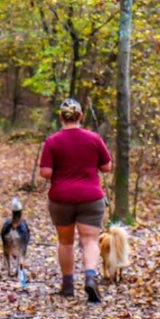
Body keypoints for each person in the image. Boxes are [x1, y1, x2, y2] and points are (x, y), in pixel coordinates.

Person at [39, 98, 112, 303]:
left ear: (61, 117)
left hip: (61, 199)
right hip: (91, 198)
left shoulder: (52, 141)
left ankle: (68, 286)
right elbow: (107, 167)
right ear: (81, 116)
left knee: (65, 242)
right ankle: (90, 278)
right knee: (90, 241)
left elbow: (45, 172)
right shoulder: (94, 138)